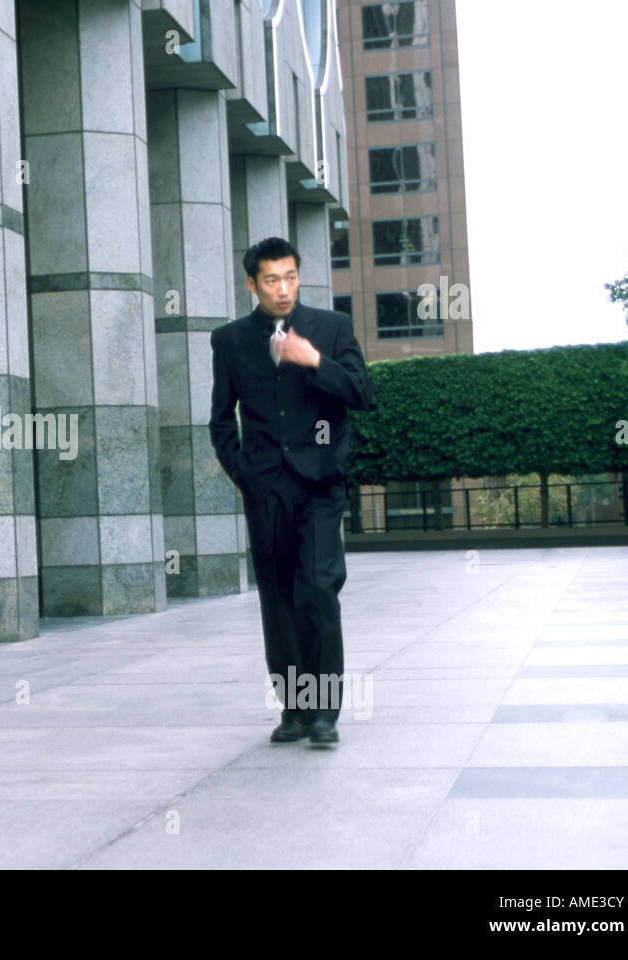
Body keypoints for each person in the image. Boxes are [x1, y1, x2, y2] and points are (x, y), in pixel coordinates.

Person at [208, 237, 374, 746]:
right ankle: (295, 709)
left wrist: (313, 360)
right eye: (273, 280)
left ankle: (324, 713)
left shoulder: (331, 328)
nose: (284, 289)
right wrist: (245, 474)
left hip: (320, 485)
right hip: (266, 490)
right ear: (252, 284)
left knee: (319, 590)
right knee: (278, 600)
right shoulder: (231, 340)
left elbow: (362, 393)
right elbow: (220, 420)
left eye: (292, 277)